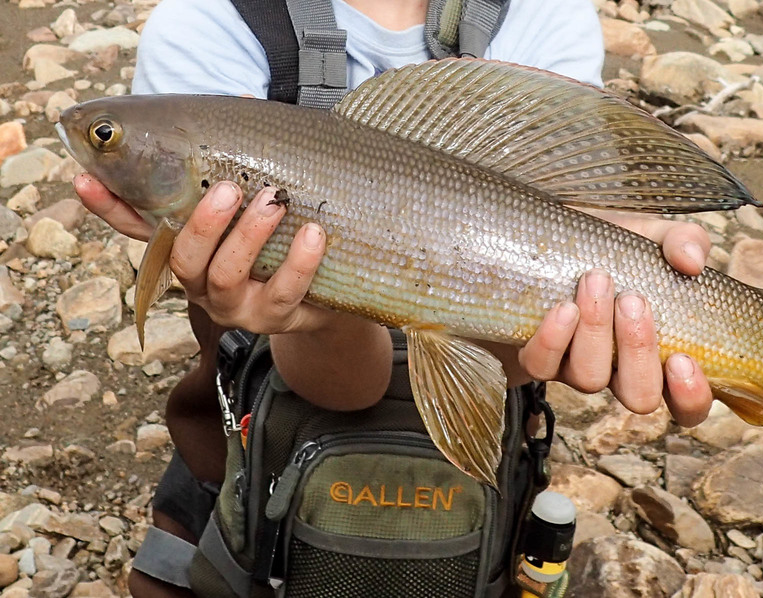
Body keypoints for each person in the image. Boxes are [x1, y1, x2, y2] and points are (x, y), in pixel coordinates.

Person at [72, 0, 715, 595]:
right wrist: (317, 321)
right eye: (108, 135)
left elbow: (512, 352)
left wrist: (629, 255)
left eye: (103, 136)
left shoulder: (539, 12)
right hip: (267, 432)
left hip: (494, 373)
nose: (91, 138)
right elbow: (349, 390)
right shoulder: (209, 22)